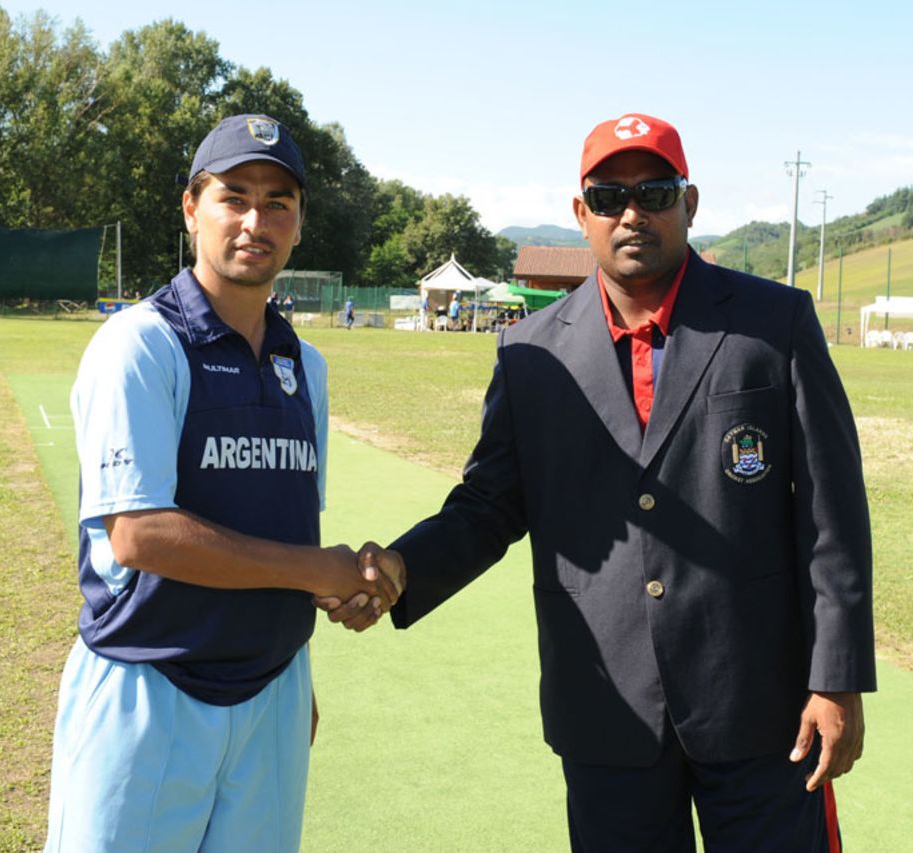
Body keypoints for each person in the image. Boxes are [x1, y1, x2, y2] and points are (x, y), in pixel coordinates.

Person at [325, 113, 875, 851]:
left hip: (759, 704)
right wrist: (400, 567)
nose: (631, 213)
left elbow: (831, 514)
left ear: (690, 203)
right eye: (608, 195)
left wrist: (835, 677)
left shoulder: (773, 323)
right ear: (580, 213)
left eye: (653, 192)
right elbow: (489, 505)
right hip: (606, 708)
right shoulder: (528, 354)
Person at [44, 113, 399, 852]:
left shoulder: (307, 366)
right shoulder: (140, 344)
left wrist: (303, 658)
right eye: (233, 196)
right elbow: (139, 534)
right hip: (150, 683)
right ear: (190, 208)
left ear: (299, 224)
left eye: (278, 203)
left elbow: (285, 527)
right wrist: (320, 569)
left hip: (271, 690)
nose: (254, 220)